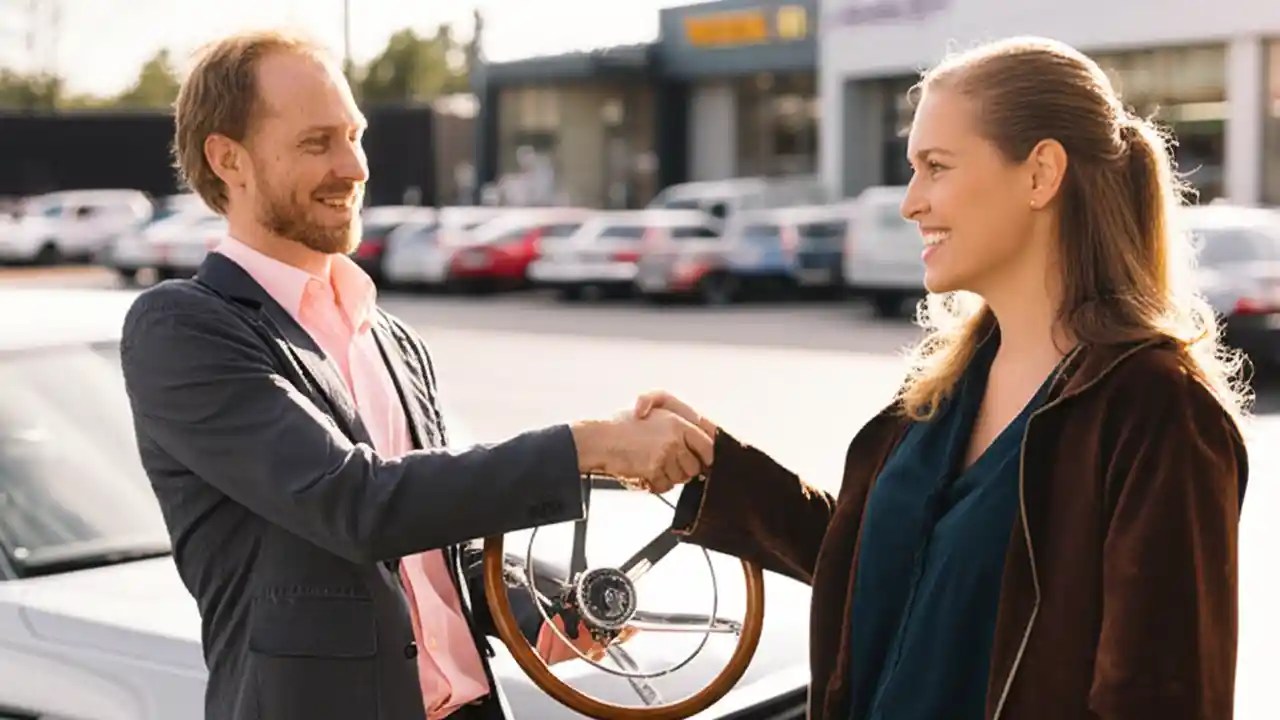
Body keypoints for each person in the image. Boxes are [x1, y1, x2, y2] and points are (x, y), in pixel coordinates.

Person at [636, 36, 1250, 720]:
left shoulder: (1157, 410)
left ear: (1041, 174)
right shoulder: (942, 392)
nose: (910, 203)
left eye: (936, 167)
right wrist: (716, 468)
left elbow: (1164, 697)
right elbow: (891, 570)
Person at [119, 31, 711, 720]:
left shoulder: (391, 338)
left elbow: (435, 553)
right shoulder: (184, 329)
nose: (354, 166)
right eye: (317, 143)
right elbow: (356, 505)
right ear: (229, 160)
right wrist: (589, 445)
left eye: (355, 135)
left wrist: (544, 606)